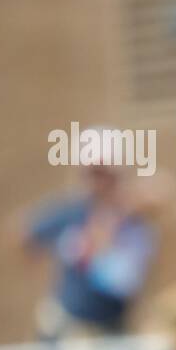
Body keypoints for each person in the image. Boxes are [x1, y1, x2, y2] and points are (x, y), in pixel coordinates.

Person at [20, 145, 157, 338]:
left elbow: (161, 192)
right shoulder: (72, 212)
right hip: (71, 322)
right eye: (94, 173)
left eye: (104, 173)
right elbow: (26, 235)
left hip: (111, 325)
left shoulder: (133, 220)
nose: (99, 181)